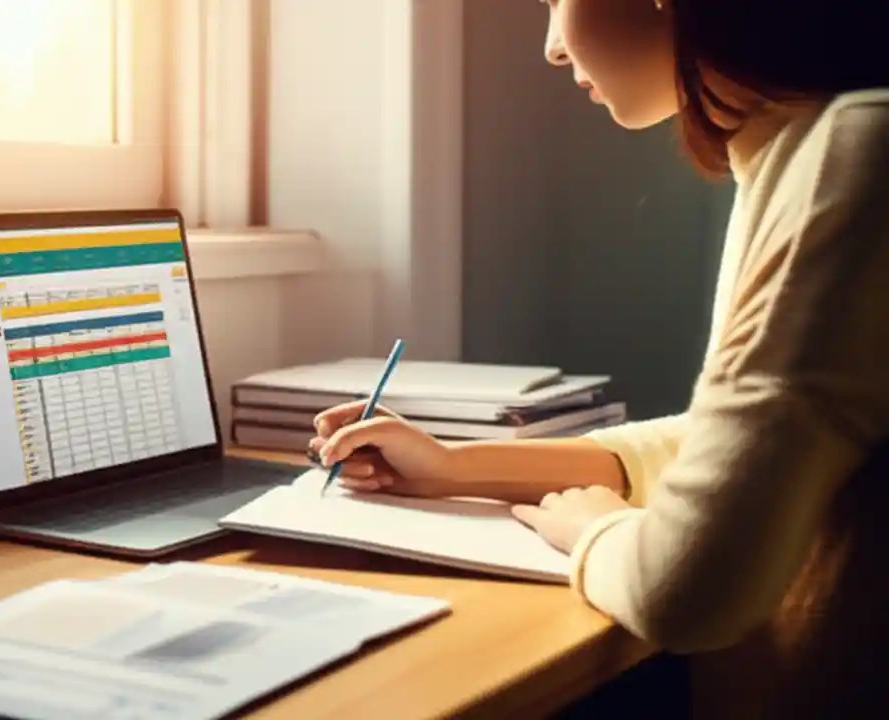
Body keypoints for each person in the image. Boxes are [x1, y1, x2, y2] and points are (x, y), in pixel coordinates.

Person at [309, 0, 889, 716]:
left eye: (557, 1)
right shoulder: (799, 150)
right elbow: (725, 446)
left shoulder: (850, 158)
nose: (553, 47)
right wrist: (455, 467)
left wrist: (595, 530)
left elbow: (686, 594)